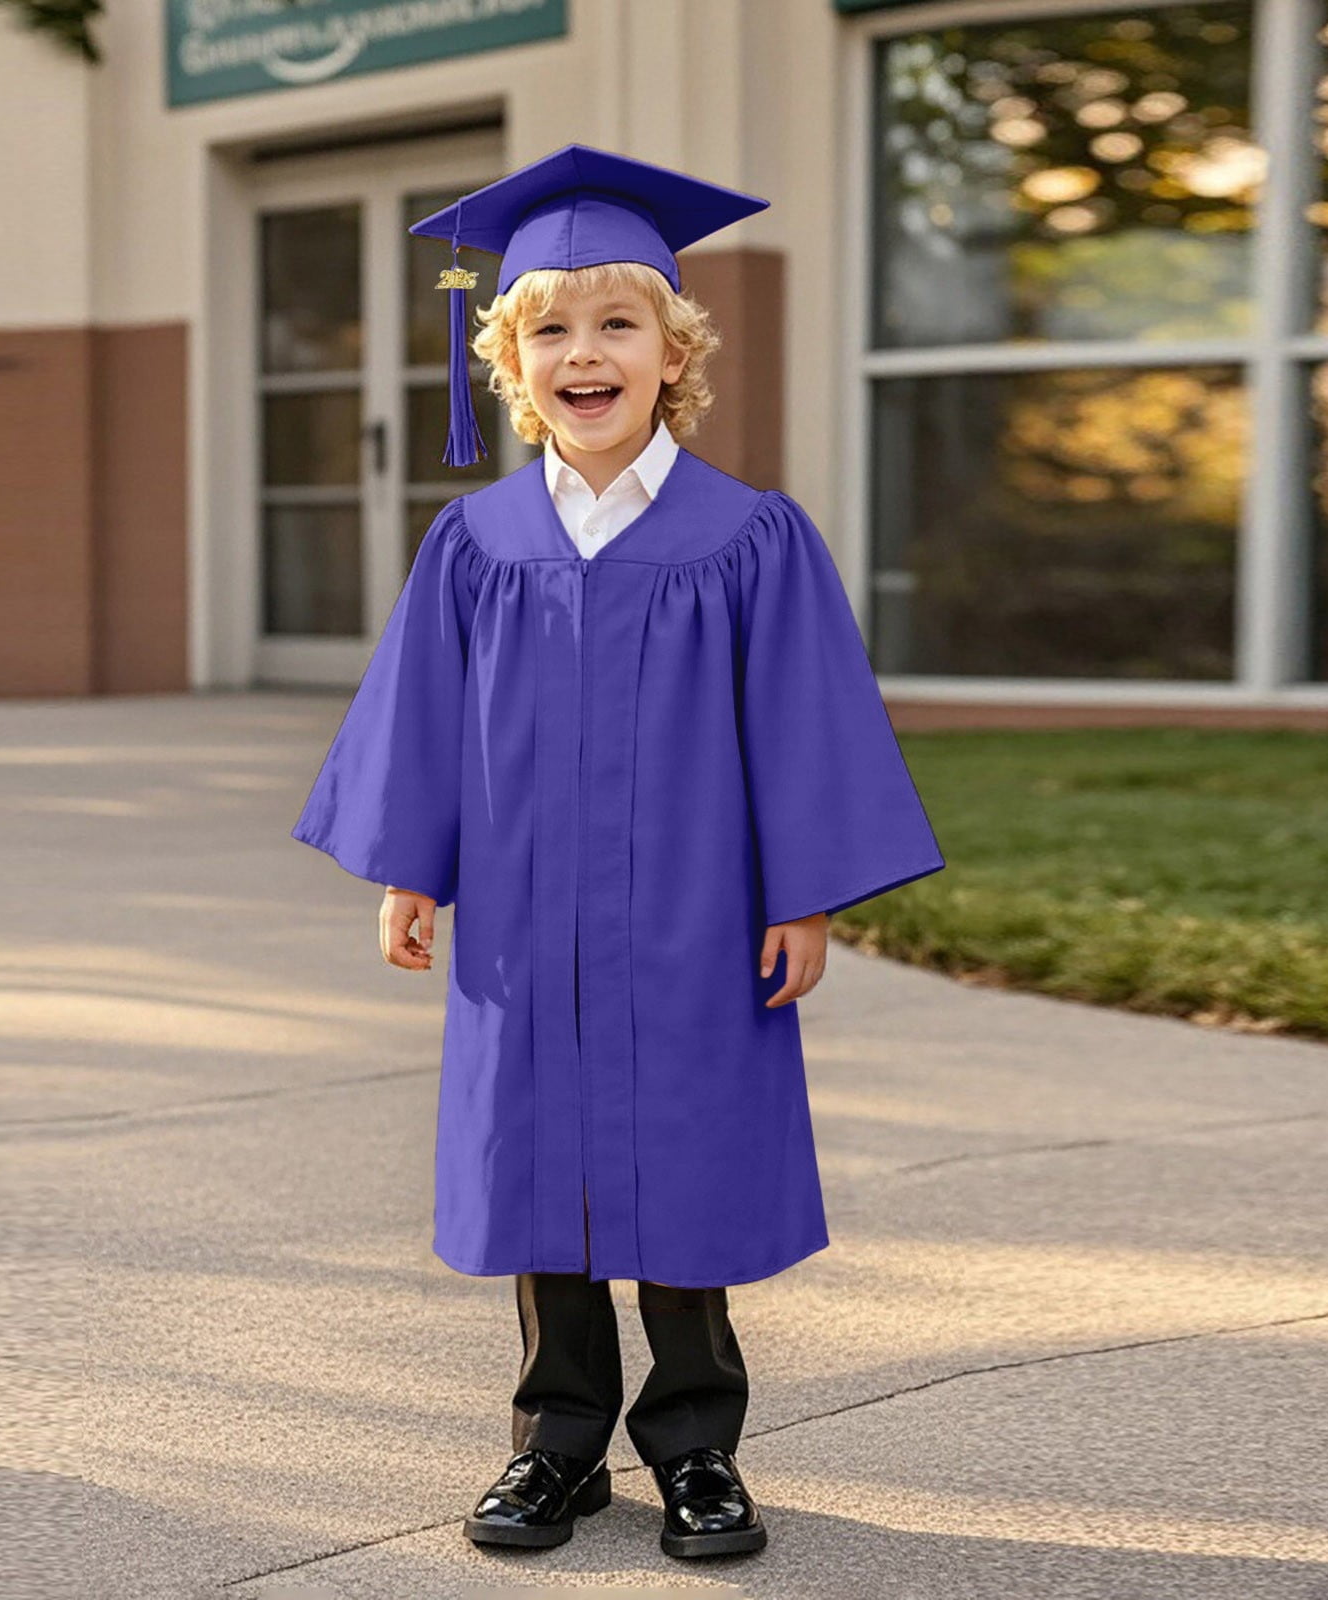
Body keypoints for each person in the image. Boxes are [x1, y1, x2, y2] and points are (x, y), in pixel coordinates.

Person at [290, 144, 946, 1561]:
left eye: (617, 324)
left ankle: (698, 1447)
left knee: (690, 1167)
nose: (583, 353)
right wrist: (413, 867)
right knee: (540, 1168)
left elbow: (804, 724)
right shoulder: (476, 543)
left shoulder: (749, 537)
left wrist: (805, 897)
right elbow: (423, 720)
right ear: (510, 366)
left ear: (673, 353)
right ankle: (557, 1445)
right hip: (526, 923)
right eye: (550, 331)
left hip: (697, 917)